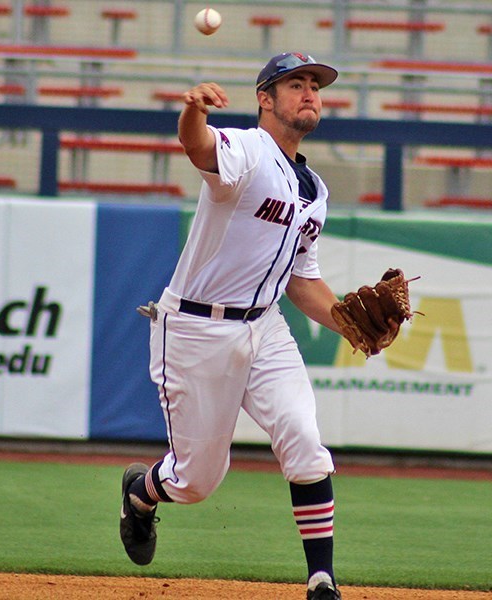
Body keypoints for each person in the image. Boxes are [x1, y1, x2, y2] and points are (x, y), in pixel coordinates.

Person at [119, 52, 345, 600]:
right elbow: (197, 146)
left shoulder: (314, 189)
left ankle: (322, 581)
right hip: (196, 329)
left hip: (266, 327)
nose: (310, 93)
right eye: (296, 84)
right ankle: (141, 493)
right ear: (265, 98)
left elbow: (301, 280)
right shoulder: (246, 149)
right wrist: (193, 110)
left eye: (315, 84)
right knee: (195, 483)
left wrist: (350, 326)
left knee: (305, 442)